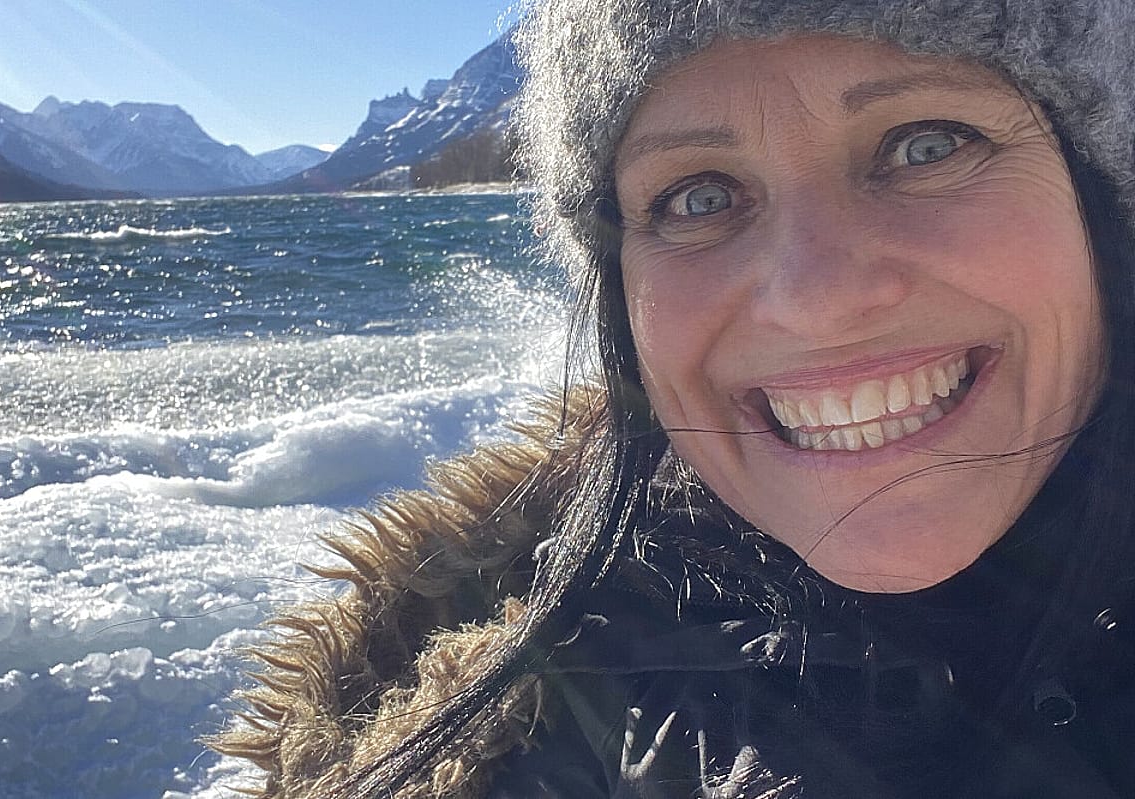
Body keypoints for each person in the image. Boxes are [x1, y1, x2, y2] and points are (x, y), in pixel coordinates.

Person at [212, 1, 1135, 796]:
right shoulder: (513, 740)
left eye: (925, 146)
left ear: (1104, 195)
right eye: (698, 198)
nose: (813, 299)